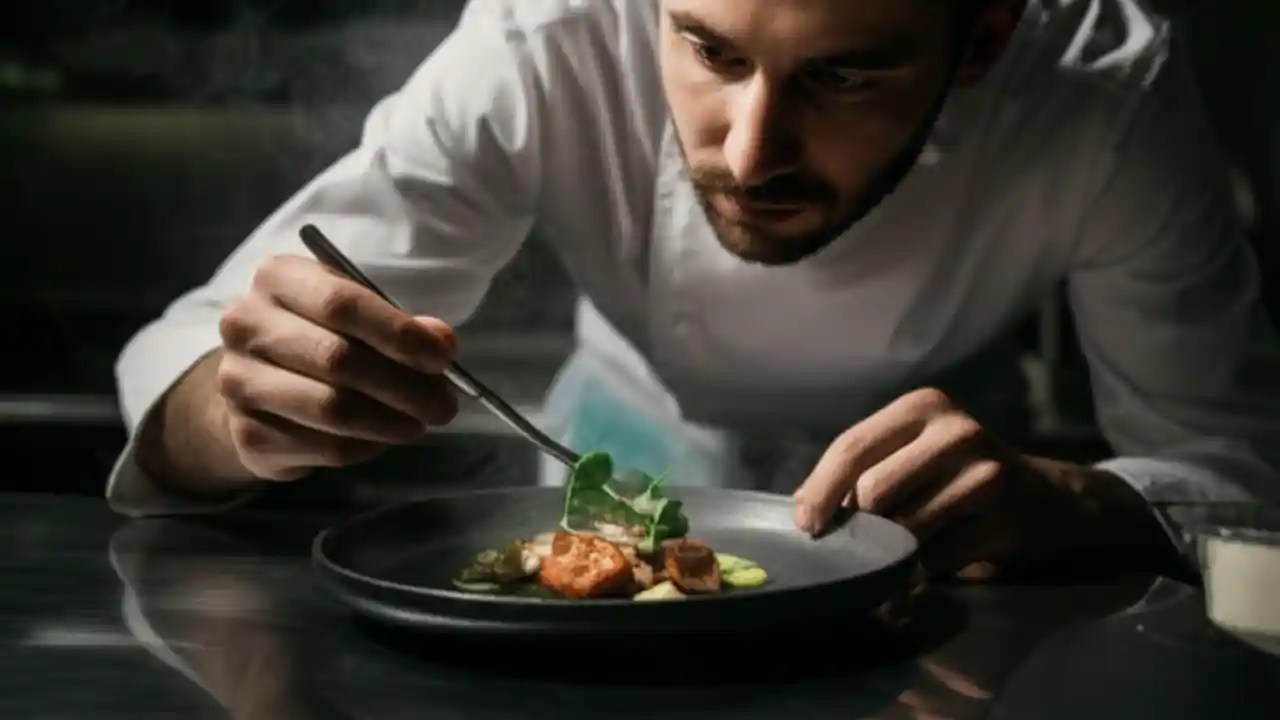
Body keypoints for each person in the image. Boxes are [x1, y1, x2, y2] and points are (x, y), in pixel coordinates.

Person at [108, 0, 1280, 581]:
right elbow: (190, 355)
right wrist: (242, 410)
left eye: (843, 74)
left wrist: (1070, 505)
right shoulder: (545, 36)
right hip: (602, 456)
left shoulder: (1105, 99)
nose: (754, 150)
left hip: (943, 523)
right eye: (711, 52)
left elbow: (1235, 482)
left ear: (977, 41)